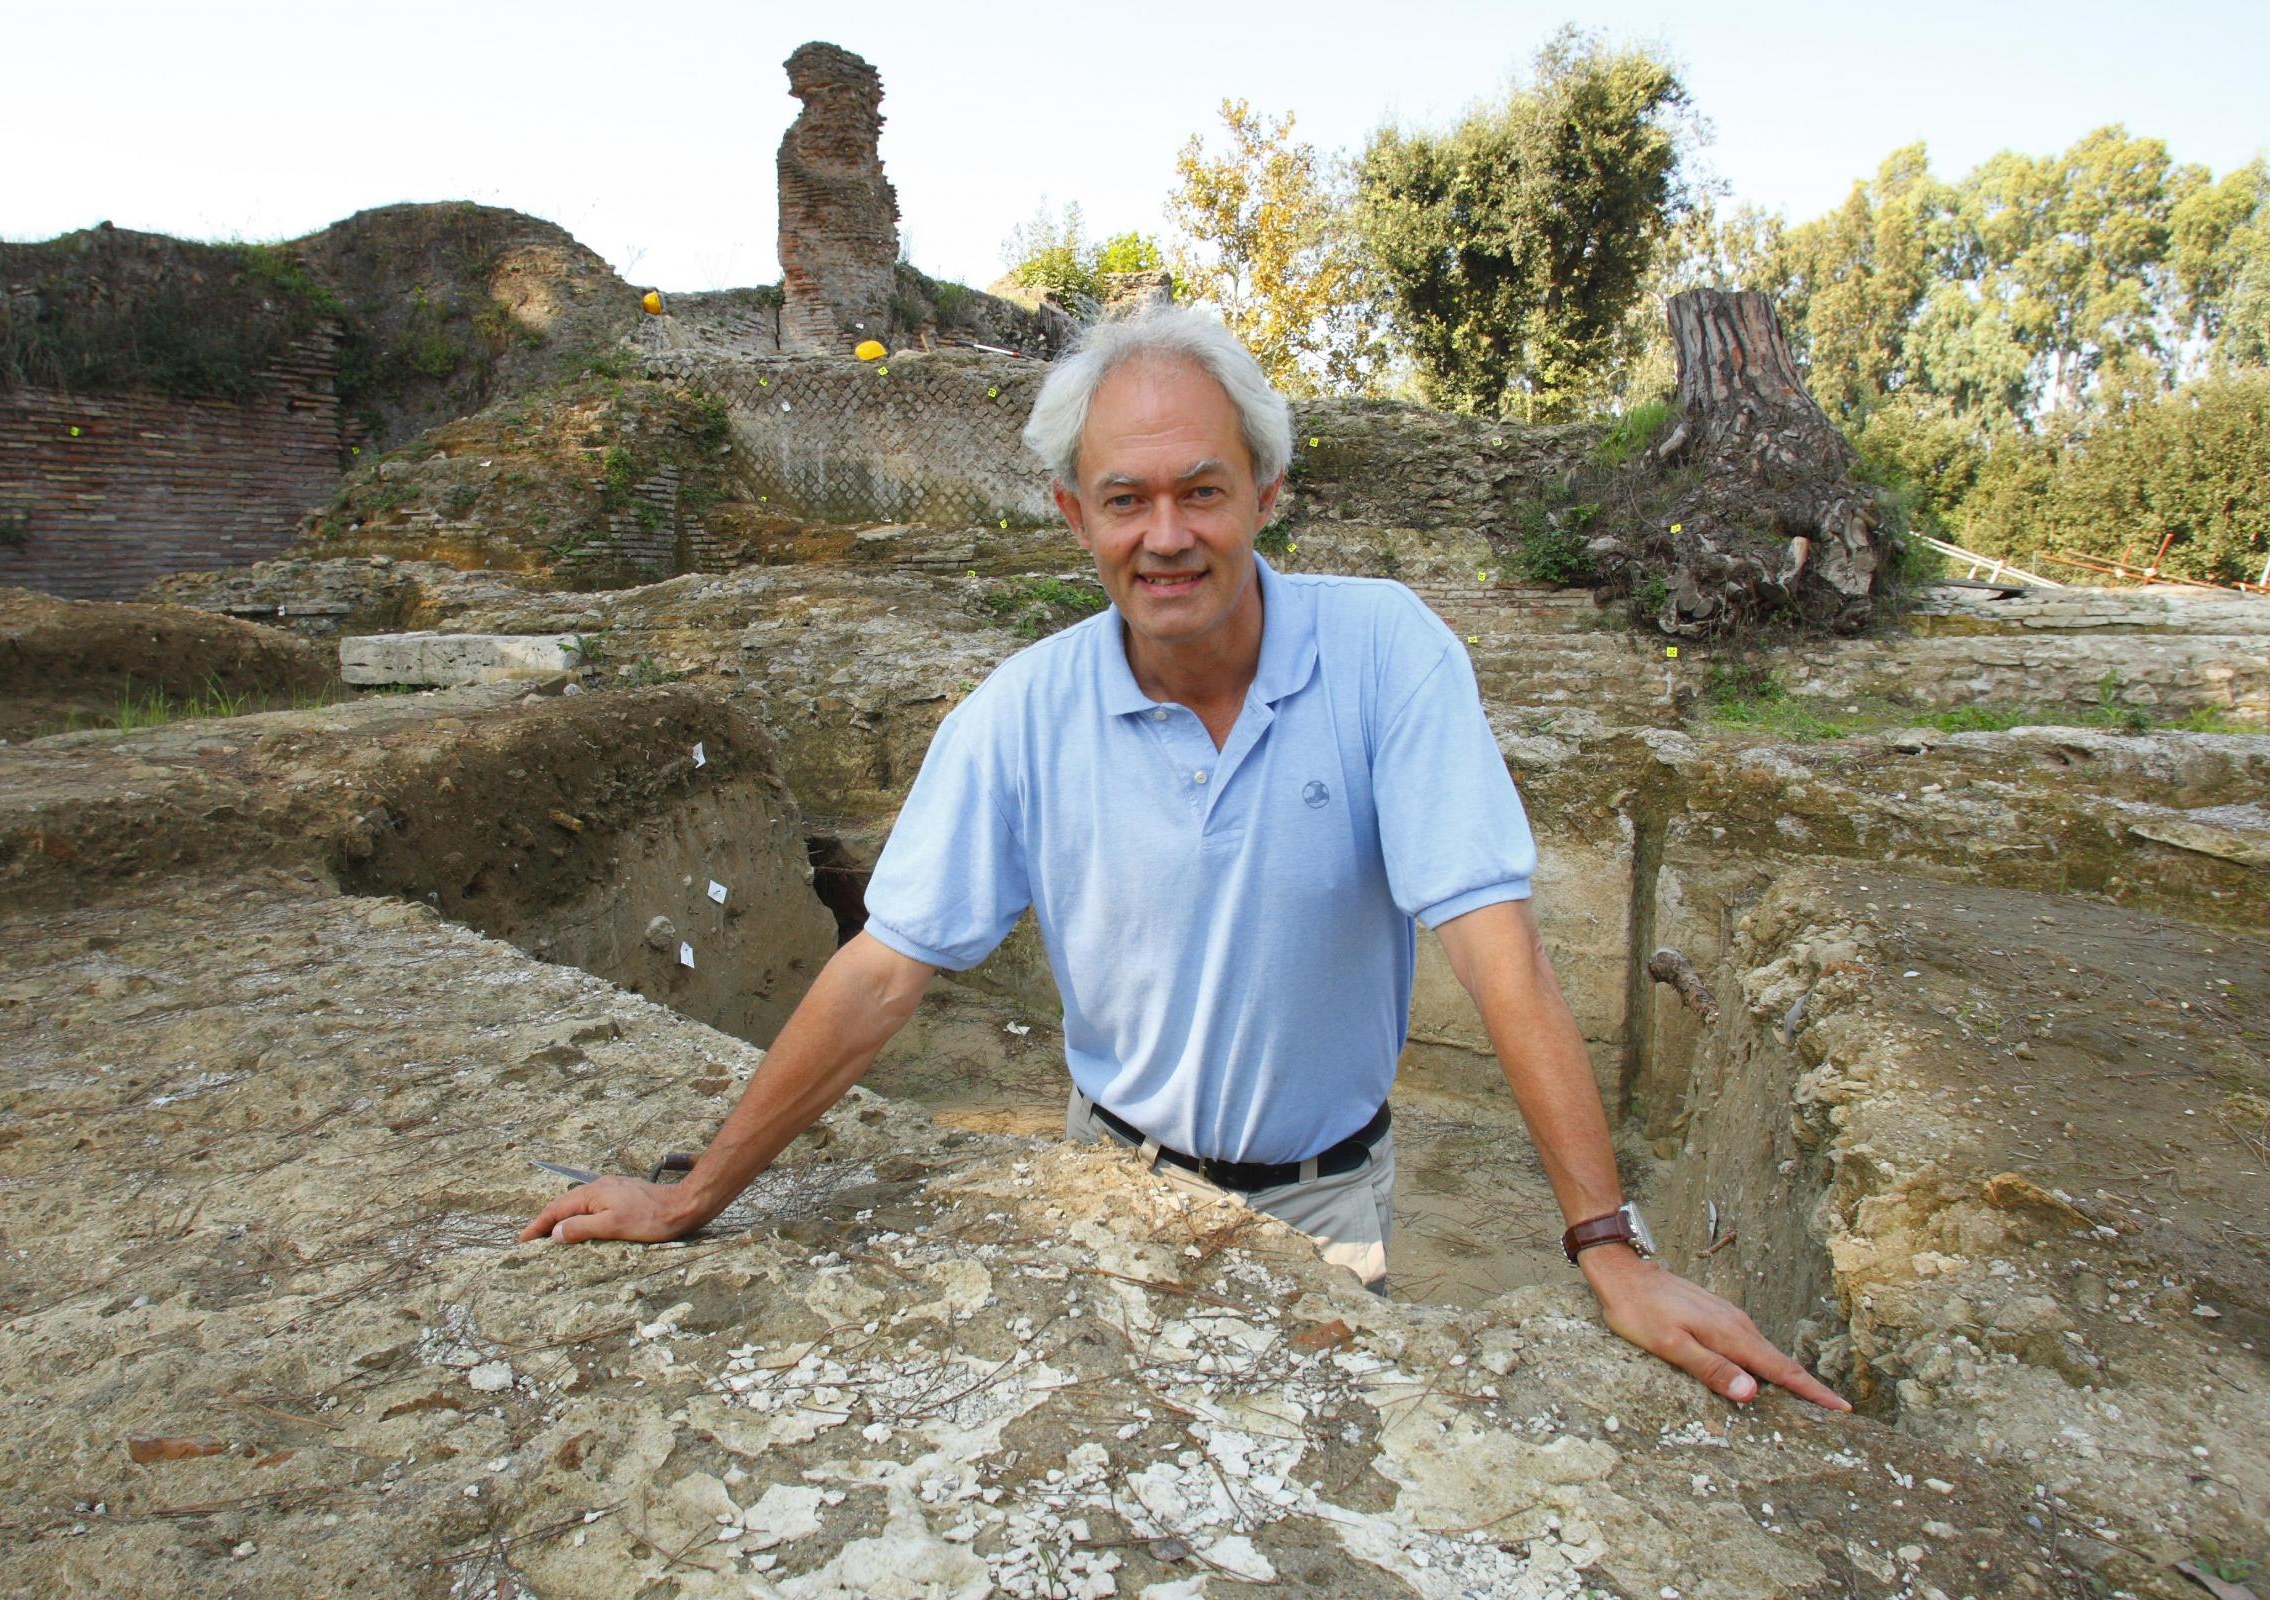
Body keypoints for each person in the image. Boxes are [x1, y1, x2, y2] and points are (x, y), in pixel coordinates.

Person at [521, 305, 1849, 1413]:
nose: (1169, 535)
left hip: (1331, 1211)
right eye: (1127, 499)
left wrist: (1607, 1245)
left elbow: (1499, 955)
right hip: (1109, 1189)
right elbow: (881, 978)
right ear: (1073, 515)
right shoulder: (1017, 720)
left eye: (1203, 490)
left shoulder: (1389, 655)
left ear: (1267, 492)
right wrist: (694, 1193)